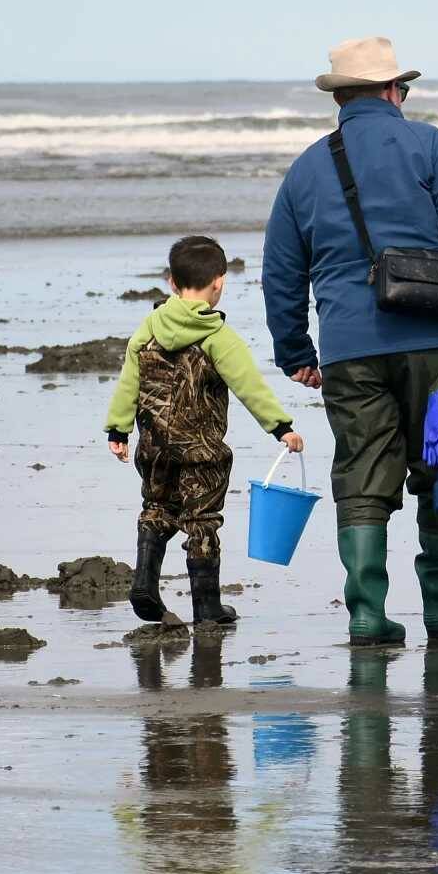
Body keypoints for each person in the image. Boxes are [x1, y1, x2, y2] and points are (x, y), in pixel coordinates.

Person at [263, 36, 438, 646]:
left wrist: (295, 351)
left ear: (340, 98)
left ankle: (367, 613)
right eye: (403, 86)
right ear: (390, 90)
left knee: (361, 472)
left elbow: (280, 268)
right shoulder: (430, 145)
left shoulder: (306, 168)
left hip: (351, 350)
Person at [105, 235, 303, 626]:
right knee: (202, 520)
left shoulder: (148, 328)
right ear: (219, 283)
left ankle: (145, 580)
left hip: (154, 449)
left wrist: (118, 430)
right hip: (202, 452)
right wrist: (281, 427)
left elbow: (130, 380)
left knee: (157, 508)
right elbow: (249, 386)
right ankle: (207, 607)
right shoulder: (217, 336)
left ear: (172, 284)